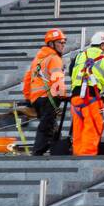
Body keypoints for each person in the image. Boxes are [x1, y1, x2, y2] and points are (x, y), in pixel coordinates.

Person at [24, 28, 67, 156]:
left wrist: (28, 98)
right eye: (60, 42)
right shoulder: (54, 58)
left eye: (64, 42)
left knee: (52, 126)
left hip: (36, 99)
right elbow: (57, 79)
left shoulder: (38, 59)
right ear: (51, 44)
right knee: (46, 127)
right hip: (48, 98)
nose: (63, 45)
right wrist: (61, 97)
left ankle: (57, 151)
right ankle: (37, 153)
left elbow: (27, 79)